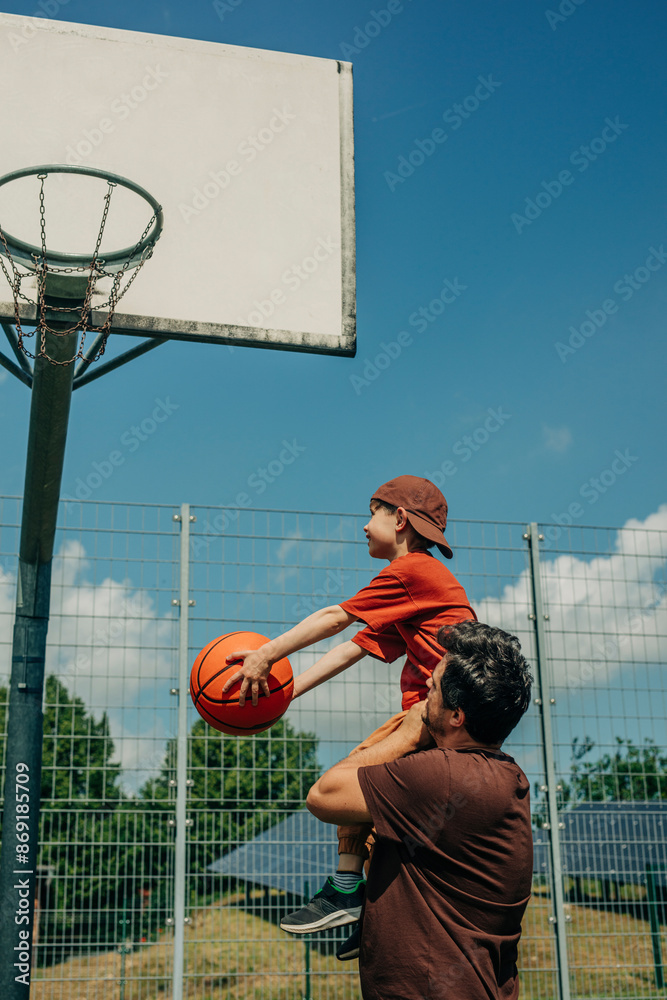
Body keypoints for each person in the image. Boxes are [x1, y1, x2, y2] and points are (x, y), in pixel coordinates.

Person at [221, 475, 476, 932]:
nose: (363, 525)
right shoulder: (412, 588)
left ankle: (345, 890)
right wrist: (284, 696)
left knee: (354, 776)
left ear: (399, 519)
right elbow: (352, 648)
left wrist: (266, 654)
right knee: (377, 797)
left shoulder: (412, 570)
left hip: (436, 710)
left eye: (372, 513)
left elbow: (334, 618)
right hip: (438, 712)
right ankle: (372, 905)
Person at [306, 621, 534, 999]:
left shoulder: (441, 776)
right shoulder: (510, 778)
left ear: (457, 715)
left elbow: (324, 795)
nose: (426, 686)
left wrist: (407, 735)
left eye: (436, 684)